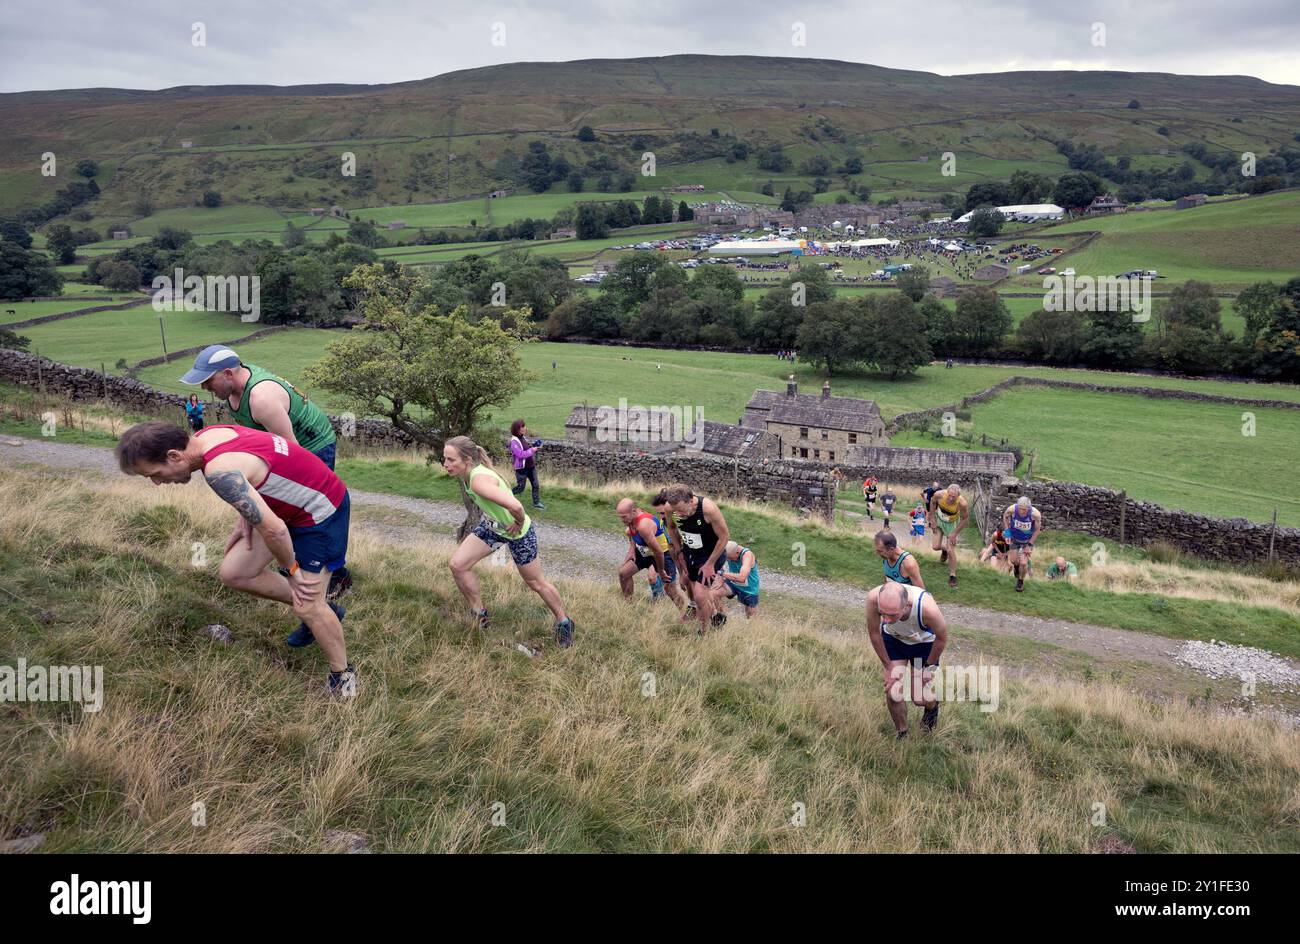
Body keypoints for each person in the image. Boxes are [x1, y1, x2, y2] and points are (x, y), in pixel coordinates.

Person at [115, 421, 358, 697]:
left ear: (174, 455)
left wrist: (291, 570)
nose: (157, 483)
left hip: (320, 512)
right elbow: (261, 467)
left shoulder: (218, 471)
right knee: (234, 572)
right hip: (287, 508)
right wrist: (247, 514)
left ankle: (344, 679)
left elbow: (275, 531)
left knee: (307, 605)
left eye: (155, 474)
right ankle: (325, 613)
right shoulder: (207, 436)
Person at [181, 344, 351, 601]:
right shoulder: (233, 393)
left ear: (228, 373)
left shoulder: (261, 399)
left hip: (312, 447)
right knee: (285, 509)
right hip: (284, 447)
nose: (204, 388)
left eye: (208, 381)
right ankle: (301, 568)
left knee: (313, 511)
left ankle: (333, 575)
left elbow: (293, 453)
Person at [443, 436, 573, 647]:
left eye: (451, 460)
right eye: (444, 459)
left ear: (467, 460)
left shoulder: (478, 480)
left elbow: (517, 507)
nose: (446, 464)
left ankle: (564, 622)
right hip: (494, 527)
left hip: (519, 533)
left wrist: (519, 522)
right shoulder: (468, 475)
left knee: (536, 583)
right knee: (458, 565)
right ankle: (479, 614)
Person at [866, 581, 949, 739]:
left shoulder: (927, 608)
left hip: (923, 646)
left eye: (892, 615)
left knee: (919, 698)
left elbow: (942, 638)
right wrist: (889, 667)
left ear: (907, 606)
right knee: (892, 692)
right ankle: (902, 733)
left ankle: (932, 706)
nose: (886, 620)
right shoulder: (873, 599)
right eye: (883, 613)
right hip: (894, 641)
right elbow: (874, 633)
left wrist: (927, 668)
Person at [661, 484, 730, 635]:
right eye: (675, 510)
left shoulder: (708, 509)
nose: (678, 514)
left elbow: (724, 537)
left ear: (691, 501)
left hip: (711, 554)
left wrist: (710, 564)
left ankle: (704, 632)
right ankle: (716, 617)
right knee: (689, 584)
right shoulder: (670, 508)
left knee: (699, 595)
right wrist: (679, 552)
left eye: (681, 509)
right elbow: (671, 527)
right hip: (690, 551)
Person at [617, 498, 685, 610]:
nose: (622, 520)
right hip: (646, 552)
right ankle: (628, 606)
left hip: (663, 554)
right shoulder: (631, 519)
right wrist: (632, 550)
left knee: (669, 589)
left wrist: (661, 570)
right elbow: (631, 532)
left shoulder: (644, 525)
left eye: (624, 517)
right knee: (623, 574)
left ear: (634, 511)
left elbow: (658, 551)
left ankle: (685, 613)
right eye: (620, 516)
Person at [928, 483, 969, 589]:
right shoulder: (939, 494)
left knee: (951, 550)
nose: (951, 498)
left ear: (958, 496)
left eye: (953, 497)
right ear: (947, 492)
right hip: (939, 520)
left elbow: (965, 518)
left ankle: (953, 575)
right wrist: (932, 518)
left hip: (952, 524)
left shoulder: (962, 503)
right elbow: (932, 503)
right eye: (949, 495)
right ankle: (944, 550)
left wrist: (955, 533)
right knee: (935, 546)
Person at [1001, 495, 1042, 593]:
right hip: (1015, 538)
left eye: (1024, 509)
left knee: (1023, 563)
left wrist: (1030, 545)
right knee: (1014, 560)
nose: (1022, 511)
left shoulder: (1035, 514)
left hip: (1026, 541)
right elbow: (1005, 517)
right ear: (1017, 506)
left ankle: (1020, 581)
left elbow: (1037, 530)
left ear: (1028, 508)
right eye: (1020, 509)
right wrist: (1007, 533)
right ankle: (1016, 567)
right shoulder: (1012, 509)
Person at [714, 541, 759, 618]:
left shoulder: (747, 556)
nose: (728, 559)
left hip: (749, 587)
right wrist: (720, 578)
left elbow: (742, 578)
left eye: (730, 558)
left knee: (751, 617)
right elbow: (718, 561)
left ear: (737, 552)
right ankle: (722, 618)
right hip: (733, 582)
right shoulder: (726, 550)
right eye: (727, 557)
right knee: (713, 594)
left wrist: (721, 573)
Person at [508, 419, 545, 510]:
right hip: (521, 469)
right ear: (518, 429)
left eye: (524, 426)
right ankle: (506, 496)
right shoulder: (514, 442)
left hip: (531, 467)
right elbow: (520, 455)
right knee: (521, 488)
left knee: (535, 485)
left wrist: (533, 446)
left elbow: (526, 449)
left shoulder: (523, 437)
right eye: (523, 426)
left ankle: (536, 503)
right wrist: (532, 450)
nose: (525, 428)